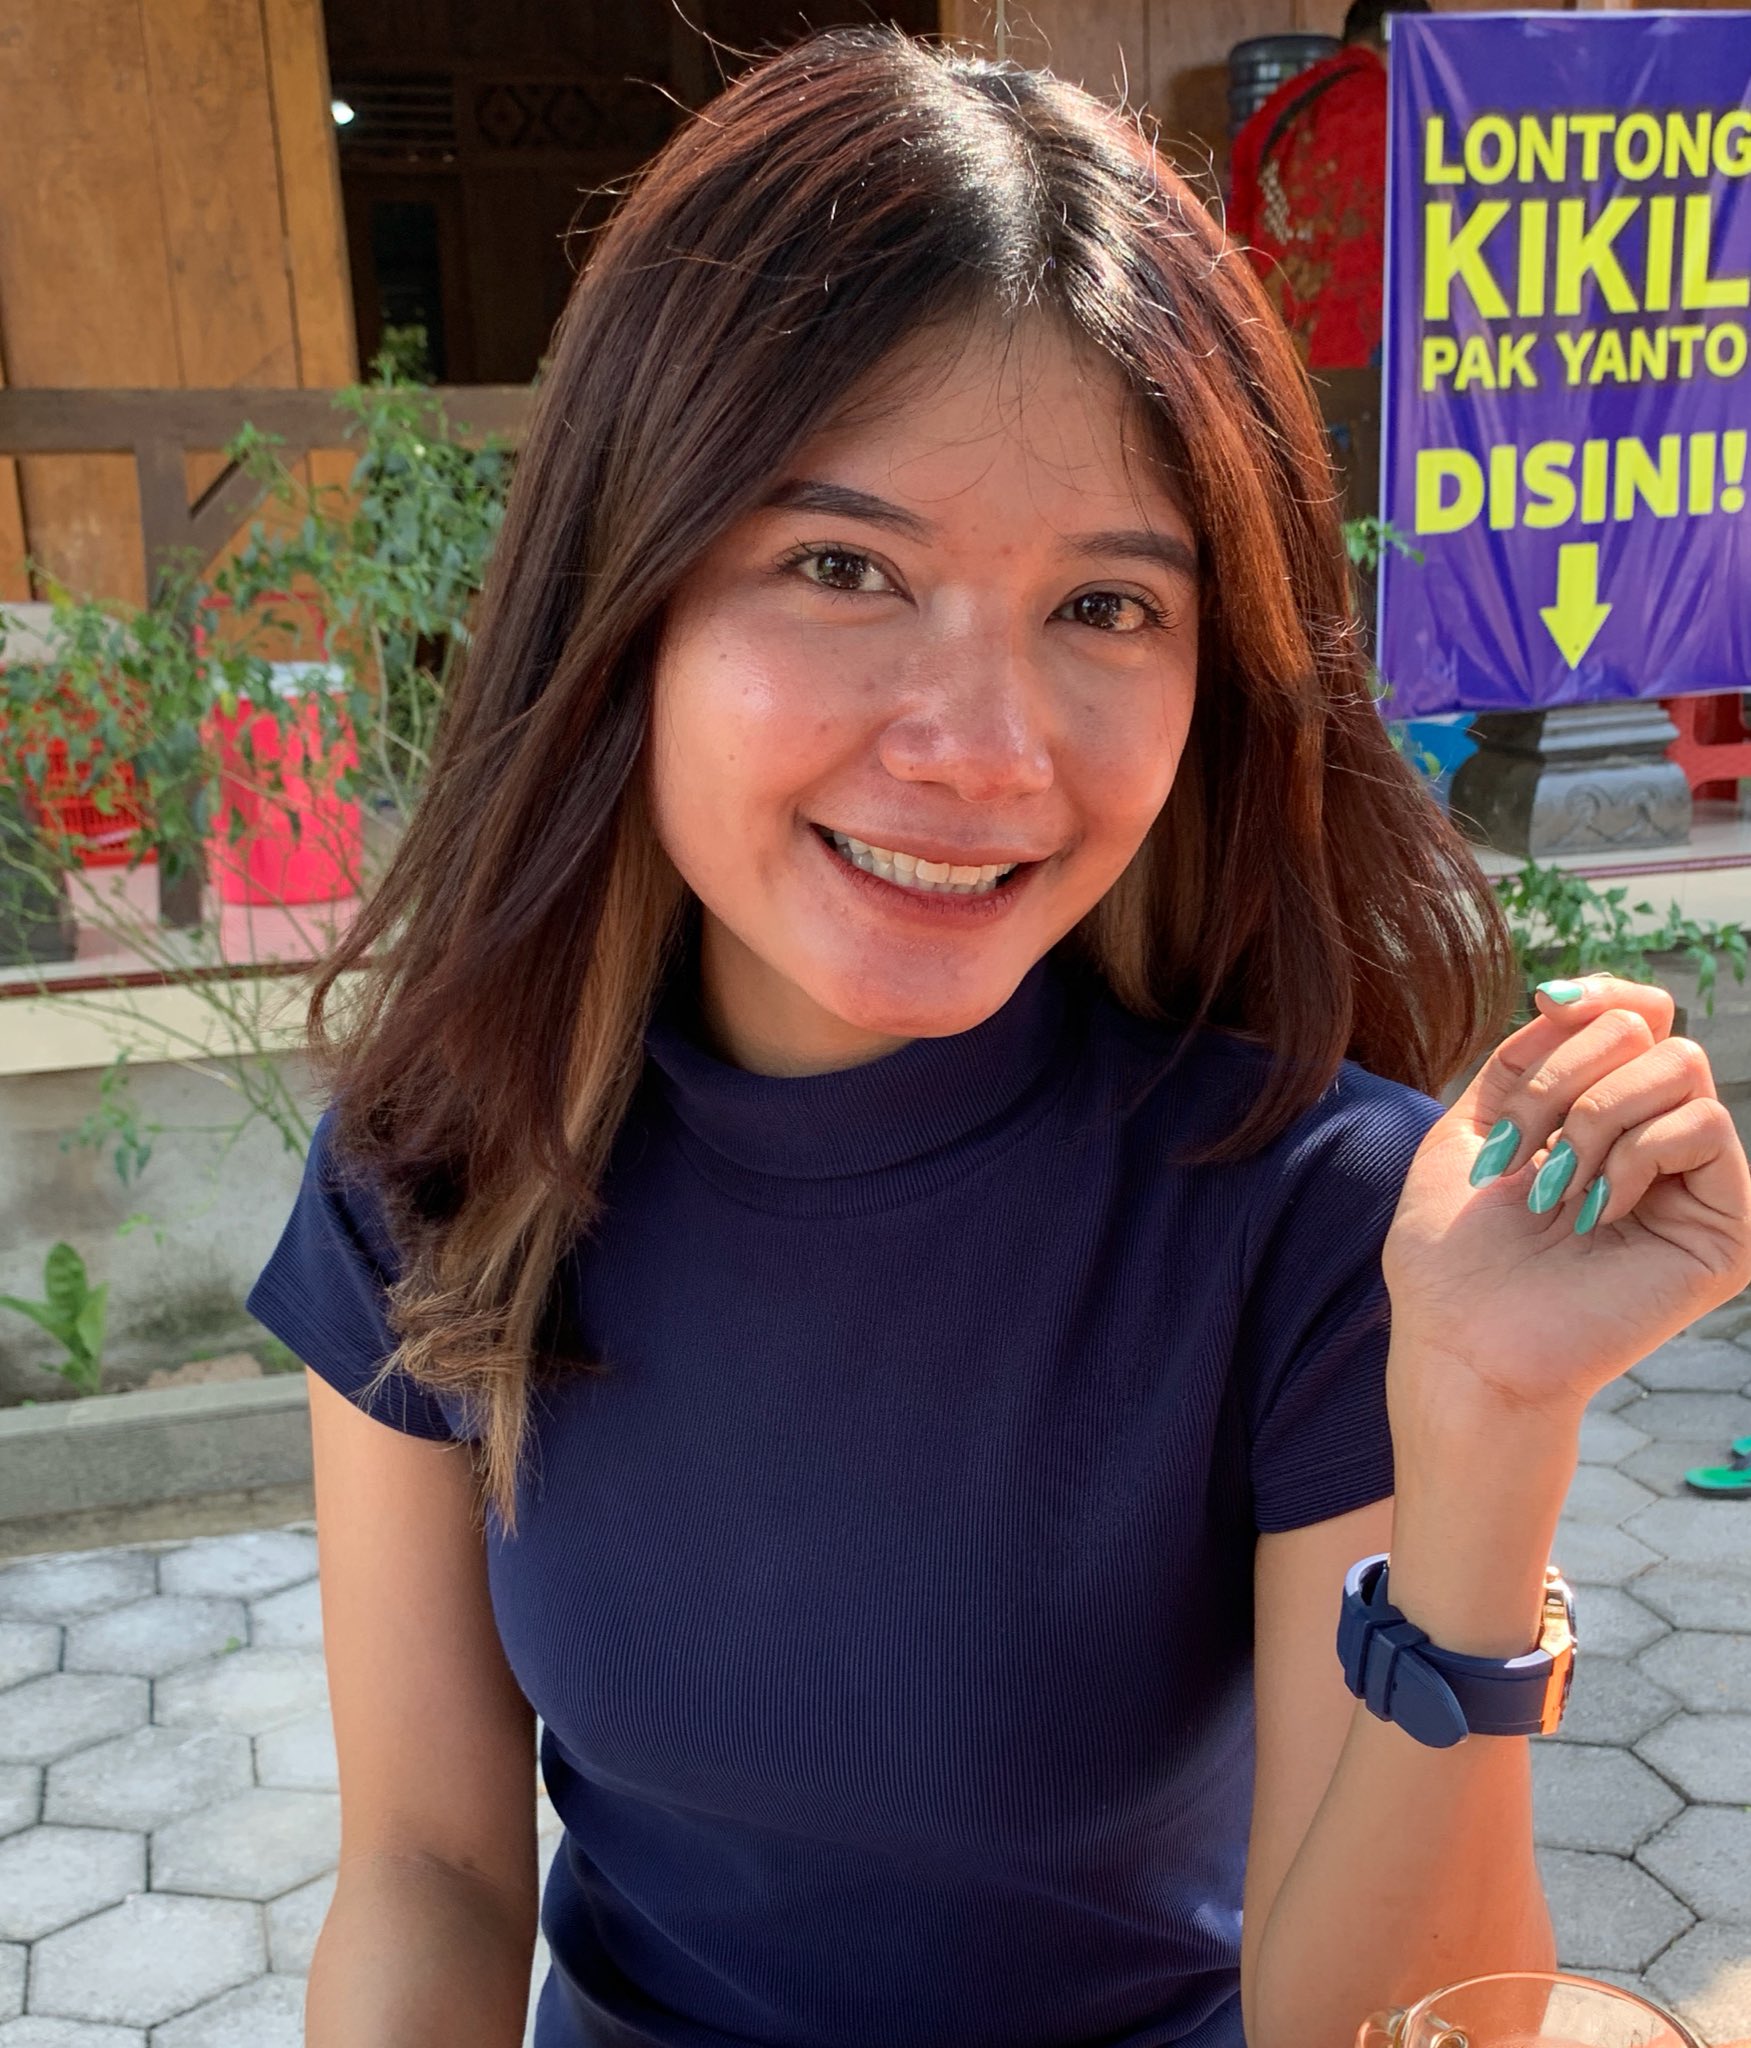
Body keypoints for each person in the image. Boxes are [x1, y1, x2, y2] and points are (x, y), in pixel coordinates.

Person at [245, 29, 1751, 2048]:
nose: (981, 749)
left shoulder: (1319, 1220)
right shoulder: (442, 1163)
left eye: (1104, 607)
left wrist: (1484, 1420)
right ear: (627, 593)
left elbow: (1391, 2028)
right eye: (841, 566)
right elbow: (429, 1870)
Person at [1228, 0, 1432, 370]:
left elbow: (1235, 231)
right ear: (1407, 42)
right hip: (1367, 344)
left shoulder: (1281, 104)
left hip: (1278, 344)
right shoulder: (1397, 106)